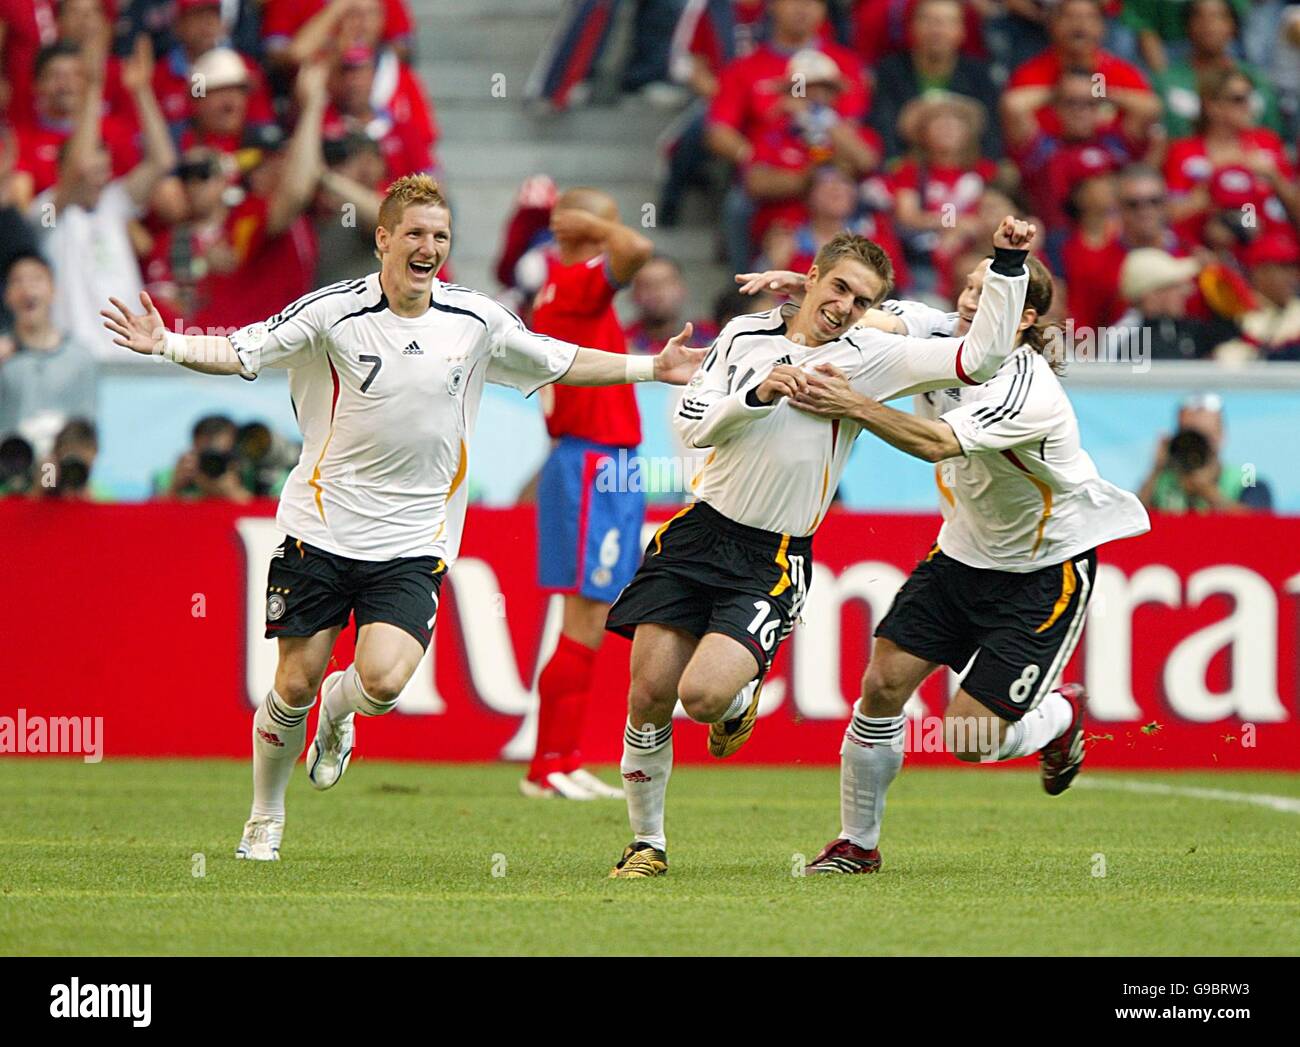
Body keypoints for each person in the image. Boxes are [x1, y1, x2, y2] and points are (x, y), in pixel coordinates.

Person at [100, 173, 703, 862]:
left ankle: (340, 708)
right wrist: (167, 343)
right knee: (290, 683)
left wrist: (652, 368)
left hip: (414, 540)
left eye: (440, 236)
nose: (429, 247)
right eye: (415, 233)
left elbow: (560, 360)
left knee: (381, 682)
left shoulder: (475, 321)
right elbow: (244, 350)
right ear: (383, 238)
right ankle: (265, 815)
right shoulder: (331, 312)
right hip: (320, 528)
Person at [602, 216, 1037, 878]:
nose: (845, 307)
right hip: (696, 531)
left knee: (703, 697)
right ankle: (647, 843)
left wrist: (1006, 267)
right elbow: (696, 423)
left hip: (771, 553)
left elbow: (977, 355)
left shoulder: (870, 356)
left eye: (861, 301)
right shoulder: (745, 335)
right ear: (810, 278)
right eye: (838, 288)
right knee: (649, 694)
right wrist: (759, 391)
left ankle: (741, 696)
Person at [784, 255, 1150, 874]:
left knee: (969, 740)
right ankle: (857, 845)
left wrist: (852, 404)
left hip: (1043, 568)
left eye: (993, 293)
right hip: (958, 555)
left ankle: (1060, 715)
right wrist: (804, 294)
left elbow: (936, 443)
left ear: (1026, 317)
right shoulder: (939, 334)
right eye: (971, 287)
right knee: (881, 686)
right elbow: (869, 319)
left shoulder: (1027, 389)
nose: (971, 301)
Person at [523, 187, 655, 801]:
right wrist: (584, 224)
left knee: (594, 616)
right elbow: (638, 247)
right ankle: (547, 765)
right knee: (583, 616)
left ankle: (563, 757)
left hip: (616, 463)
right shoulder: (574, 284)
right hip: (590, 459)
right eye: (607, 222)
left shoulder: (574, 288)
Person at [30, 35, 176, 360]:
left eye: (102, 159)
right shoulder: (47, 211)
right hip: (73, 360)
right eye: (89, 158)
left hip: (130, 358)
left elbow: (162, 161)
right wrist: (93, 87)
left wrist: (141, 91)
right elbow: (77, 171)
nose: (95, 167)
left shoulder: (114, 203)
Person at [868, 0, 1001, 158]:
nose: (937, 30)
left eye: (947, 22)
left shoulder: (980, 75)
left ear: (962, 31)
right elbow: (884, 130)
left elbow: (991, 136)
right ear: (911, 27)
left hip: (966, 172)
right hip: (906, 170)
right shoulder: (890, 72)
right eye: (928, 21)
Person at [0, 253, 98, 452]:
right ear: (6, 296)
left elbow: (88, 429)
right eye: (17, 281)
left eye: (36, 279)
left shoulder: (80, 358)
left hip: (64, 472)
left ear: (53, 290)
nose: (27, 289)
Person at [1137, 393, 1274, 512]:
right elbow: (1130, 522)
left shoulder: (1245, 481)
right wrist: (1156, 469)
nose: (1195, 446)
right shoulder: (1162, 482)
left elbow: (1259, 527)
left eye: (1204, 436)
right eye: (1189, 436)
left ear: (1221, 435)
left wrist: (1206, 490)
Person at [625, 256, 719, 355]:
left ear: (681, 289)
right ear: (633, 294)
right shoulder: (622, 342)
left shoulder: (710, 335)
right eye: (646, 285)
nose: (656, 292)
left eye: (664, 283)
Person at [153, 414, 253, 502]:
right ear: (194, 446)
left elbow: (261, 515)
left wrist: (233, 491)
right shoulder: (168, 477)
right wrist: (174, 487)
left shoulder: (249, 476)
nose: (213, 463)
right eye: (206, 455)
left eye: (221, 457)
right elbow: (152, 513)